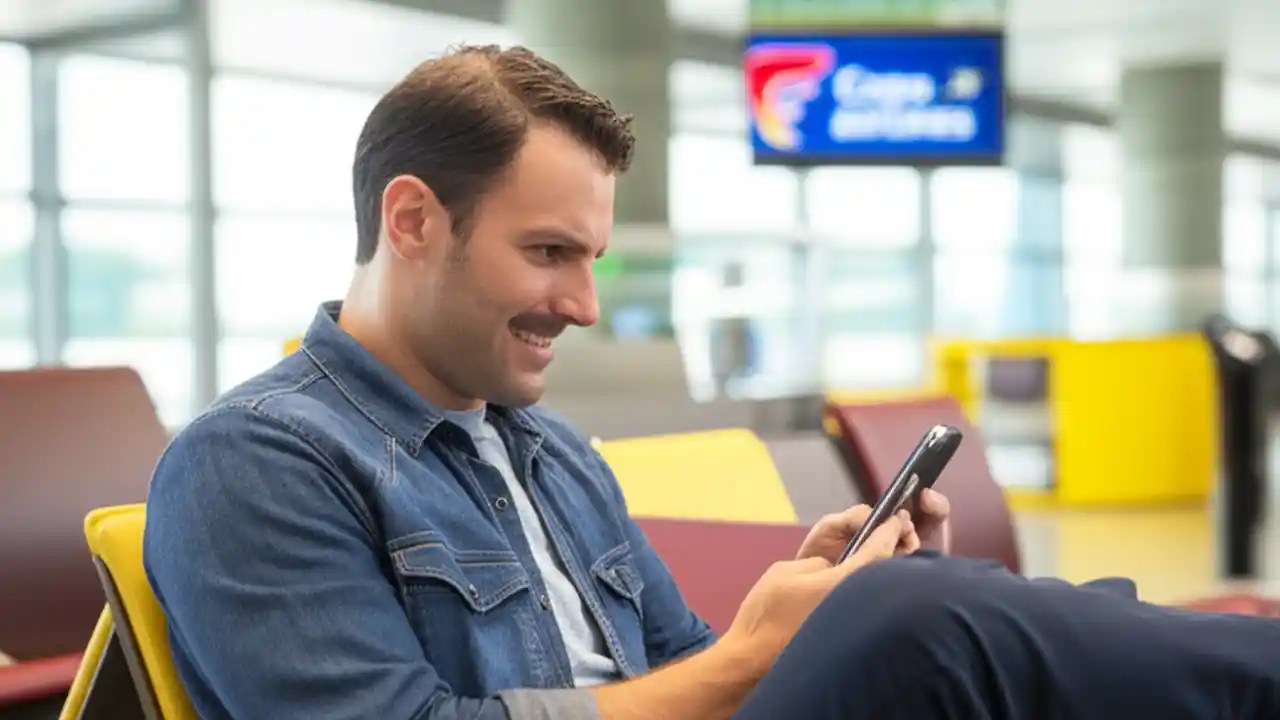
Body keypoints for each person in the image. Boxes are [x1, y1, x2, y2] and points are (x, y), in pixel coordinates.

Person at [144, 45, 1280, 720]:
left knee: (979, 620)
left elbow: (686, 672)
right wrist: (766, 652)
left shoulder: (549, 452)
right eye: (548, 253)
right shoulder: (256, 462)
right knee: (922, 623)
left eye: (591, 260)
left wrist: (801, 615)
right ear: (411, 221)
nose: (583, 305)